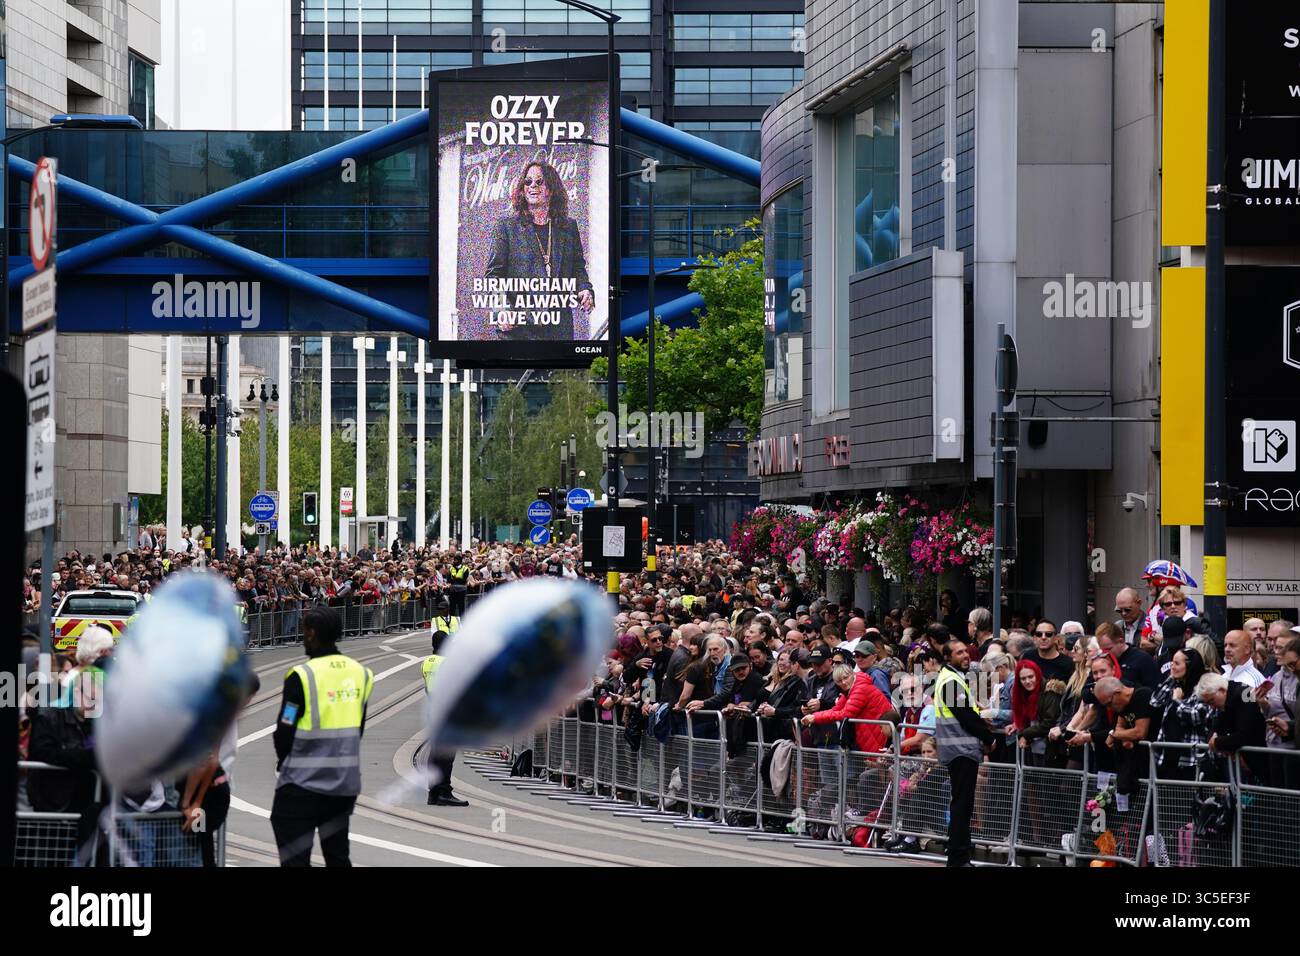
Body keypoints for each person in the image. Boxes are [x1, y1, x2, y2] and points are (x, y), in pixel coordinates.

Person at [271, 606, 375, 867]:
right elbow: (358, 727)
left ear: (313, 633)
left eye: (304, 631)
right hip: (344, 782)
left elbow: (285, 728)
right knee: (338, 855)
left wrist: (285, 764)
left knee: (295, 858)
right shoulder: (360, 673)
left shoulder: (301, 676)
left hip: (301, 783)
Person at [485, 161, 595, 342]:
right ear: (522, 189)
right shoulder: (506, 226)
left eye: (539, 182)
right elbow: (493, 276)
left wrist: (584, 289)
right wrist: (501, 309)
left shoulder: (568, 227)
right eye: (527, 182)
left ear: (551, 189)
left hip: (559, 329)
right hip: (519, 330)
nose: (532, 186)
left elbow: (578, 268)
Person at [934, 639, 995, 867]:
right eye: (959, 653)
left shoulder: (955, 678)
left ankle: (959, 855)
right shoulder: (950, 681)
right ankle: (958, 857)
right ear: (948, 658)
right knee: (962, 805)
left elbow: (969, 712)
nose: (965, 655)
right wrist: (989, 738)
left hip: (959, 749)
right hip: (960, 750)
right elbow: (965, 716)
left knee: (962, 804)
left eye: (966, 651)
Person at [1148, 647, 1213, 780]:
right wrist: (1171, 678)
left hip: (1190, 759)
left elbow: (1196, 716)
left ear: (1190, 666)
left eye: (1177, 664)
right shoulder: (1175, 684)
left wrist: (1177, 701)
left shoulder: (1202, 687)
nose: (1172, 666)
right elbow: (1155, 701)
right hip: (1167, 755)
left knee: (1186, 798)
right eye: (1172, 663)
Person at [421, 629, 469, 806]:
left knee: (435, 753)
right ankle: (443, 791)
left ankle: (433, 792)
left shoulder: (426, 663)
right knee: (447, 755)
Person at [1196, 672, 1269, 784]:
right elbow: (1216, 729)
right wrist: (1217, 741)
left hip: (1265, 759)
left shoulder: (1244, 695)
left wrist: (1218, 743)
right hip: (1253, 761)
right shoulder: (1229, 698)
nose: (1212, 706)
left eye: (1211, 701)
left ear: (1222, 690)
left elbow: (1244, 736)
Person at [1011, 660, 1065, 767]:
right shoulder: (1024, 695)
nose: (1027, 681)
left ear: (1037, 675)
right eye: (1023, 678)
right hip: (1035, 748)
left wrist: (1025, 734)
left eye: (1031, 676)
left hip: (1051, 748)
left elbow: (1048, 723)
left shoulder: (1050, 691)